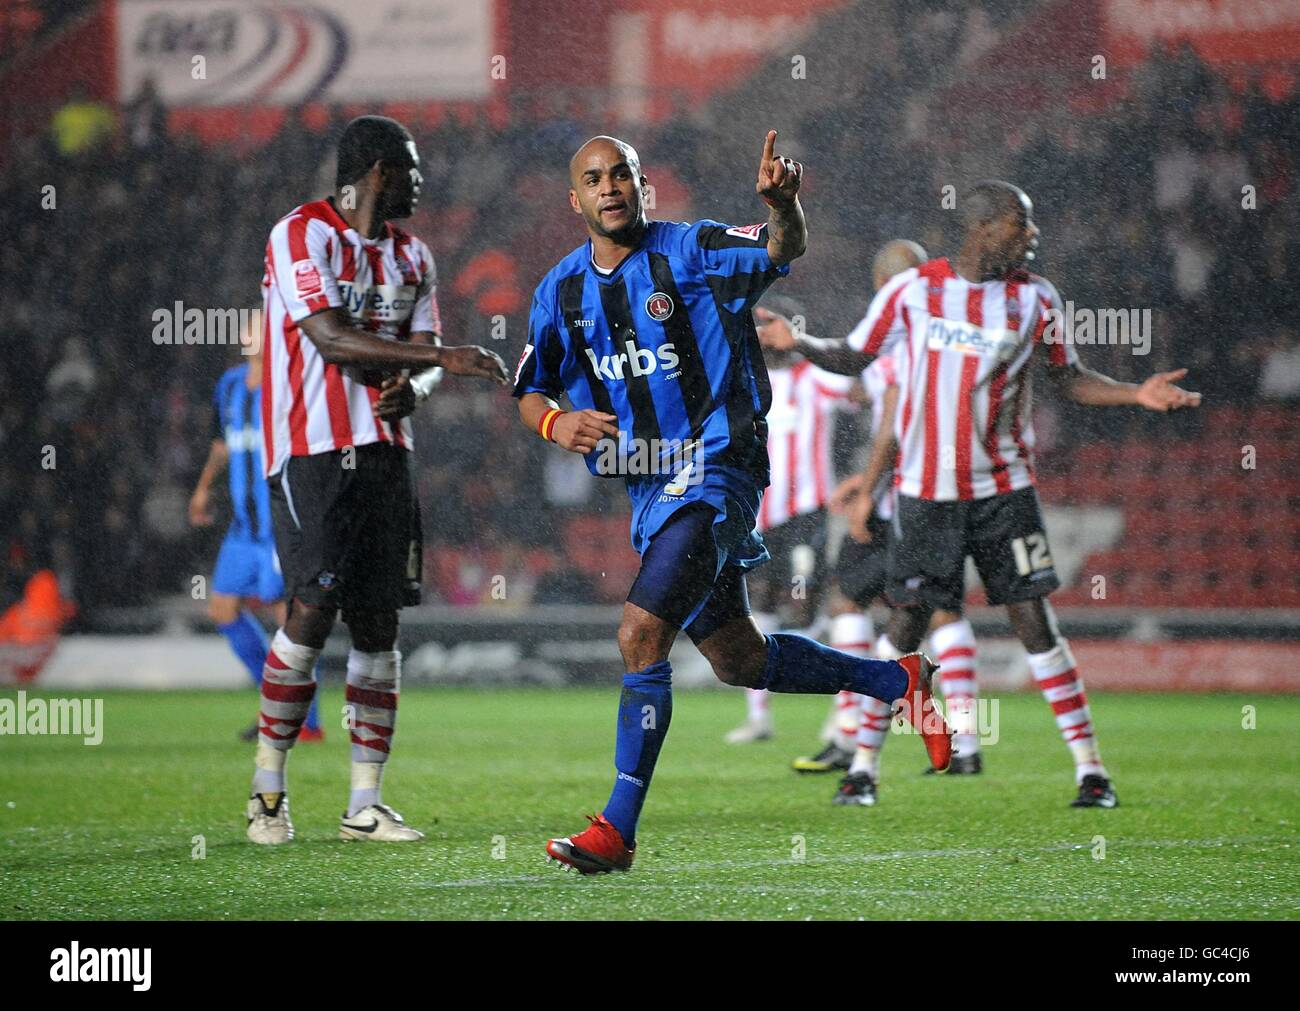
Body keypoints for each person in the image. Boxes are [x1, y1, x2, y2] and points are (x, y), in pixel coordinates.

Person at [513, 131, 952, 875]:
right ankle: (897, 678)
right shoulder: (559, 290)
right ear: (576, 199)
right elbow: (528, 388)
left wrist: (785, 206)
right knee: (740, 660)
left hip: (720, 465)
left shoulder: (692, 249)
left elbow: (784, 247)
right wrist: (557, 421)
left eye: (623, 174)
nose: (611, 187)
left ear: (643, 185)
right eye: (594, 178)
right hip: (651, 484)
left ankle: (616, 827)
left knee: (639, 635)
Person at [757, 181, 1201, 807]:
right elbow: (857, 356)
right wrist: (798, 343)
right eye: (1022, 223)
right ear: (986, 228)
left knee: (1034, 622)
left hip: (1003, 492)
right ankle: (863, 769)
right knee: (905, 625)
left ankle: (1091, 772)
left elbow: (1067, 379)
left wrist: (1136, 392)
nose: (1033, 234)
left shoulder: (1036, 300)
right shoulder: (914, 291)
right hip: (924, 496)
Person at [245, 115, 508, 845]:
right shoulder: (301, 233)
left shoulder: (413, 255)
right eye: (413, 167)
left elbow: (420, 355)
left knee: (380, 625)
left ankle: (365, 803)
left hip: (388, 450)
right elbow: (326, 335)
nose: (423, 181)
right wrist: (448, 359)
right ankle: (268, 790)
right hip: (312, 449)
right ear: (378, 172)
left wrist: (420, 386)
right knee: (311, 607)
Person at [724, 296, 857, 745]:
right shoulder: (740, 383)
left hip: (806, 515)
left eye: (767, 326)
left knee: (803, 606)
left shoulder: (815, 379)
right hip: (757, 515)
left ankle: (844, 706)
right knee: (755, 604)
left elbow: (868, 387)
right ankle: (759, 718)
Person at [189, 323, 322, 742]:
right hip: (243, 528)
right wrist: (202, 489)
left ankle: (307, 721)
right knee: (222, 610)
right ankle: (274, 700)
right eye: (246, 326)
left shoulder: (286, 385)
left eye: (257, 326)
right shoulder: (228, 385)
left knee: (287, 619)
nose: (249, 332)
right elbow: (222, 445)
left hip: (278, 524)